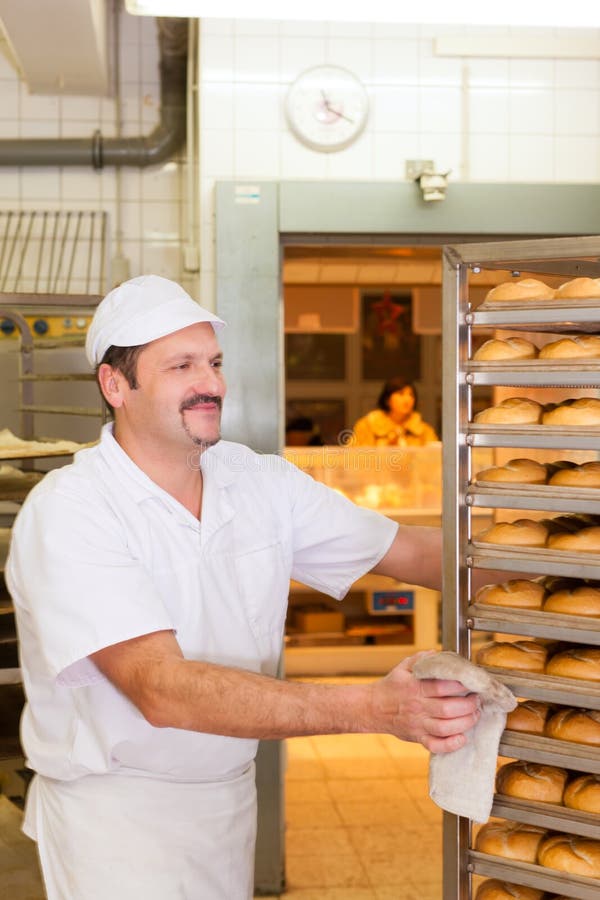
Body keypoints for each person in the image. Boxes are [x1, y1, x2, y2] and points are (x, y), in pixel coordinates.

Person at [6, 275, 480, 900]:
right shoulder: (72, 509)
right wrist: (372, 707)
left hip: (227, 799)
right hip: (115, 820)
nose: (212, 384)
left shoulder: (257, 482)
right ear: (115, 385)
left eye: (215, 362)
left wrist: (561, 553)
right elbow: (160, 689)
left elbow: (413, 553)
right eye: (182, 365)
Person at [352, 376, 439, 446]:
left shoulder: (424, 431)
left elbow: (435, 460)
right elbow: (352, 458)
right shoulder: (367, 426)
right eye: (401, 394)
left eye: (411, 395)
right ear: (387, 400)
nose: (407, 400)